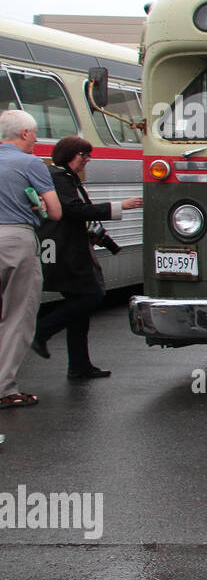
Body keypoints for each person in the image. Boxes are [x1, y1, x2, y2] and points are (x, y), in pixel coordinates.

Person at [32, 137, 143, 379]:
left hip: (73, 249)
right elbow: (74, 210)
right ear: (72, 154)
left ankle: (79, 366)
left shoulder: (66, 177)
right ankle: (41, 332)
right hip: (66, 252)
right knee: (92, 297)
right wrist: (119, 206)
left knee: (80, 312)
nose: (88, 160)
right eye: (85, 155)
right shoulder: (59, 177)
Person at [0, 110, 63, 407]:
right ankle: (4, 388)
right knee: (17, 316)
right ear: (24, 133)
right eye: (35, 134)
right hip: (16, 240)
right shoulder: (31, 163)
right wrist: (34, 207)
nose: (36, 140)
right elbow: (55, 211)